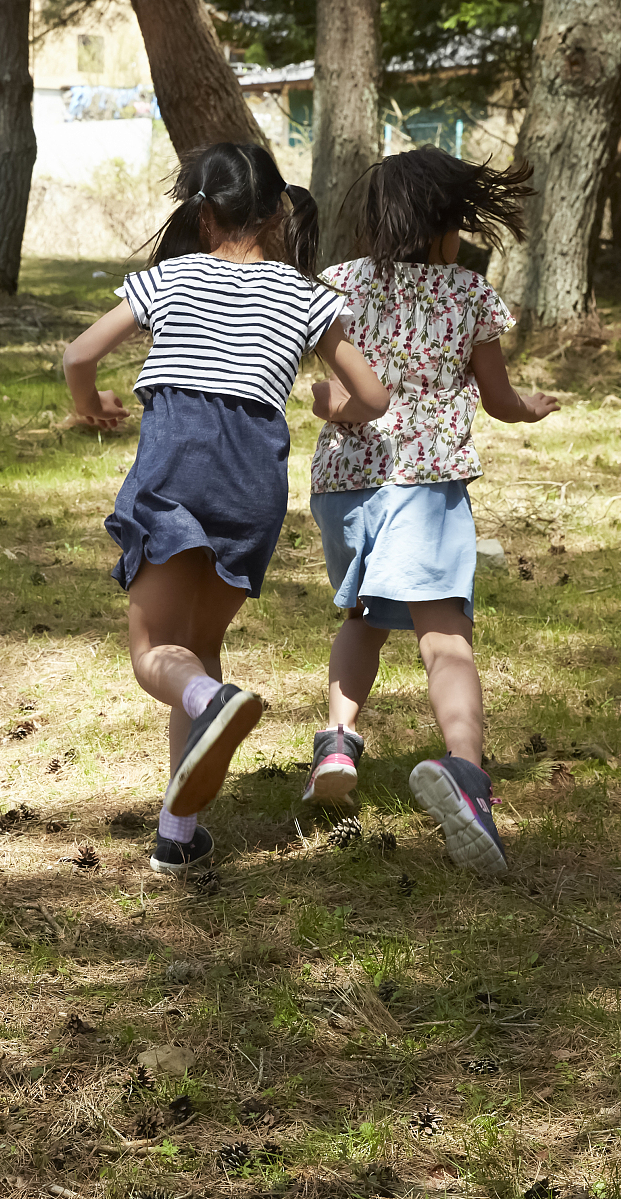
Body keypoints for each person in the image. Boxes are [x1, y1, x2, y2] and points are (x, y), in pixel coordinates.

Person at [62, 142, 389, 877]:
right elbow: (373, 396)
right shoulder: (308, 296)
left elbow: (79, 355)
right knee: (200, 642)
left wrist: (92, 405)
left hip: (178, 462)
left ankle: (211, 700)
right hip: (252, 480)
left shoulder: (171, 276)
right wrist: (335, 406)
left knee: (157, 653)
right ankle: (179, 832)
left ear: (203, 214)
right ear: (279, 211)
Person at [303, 148, 557, 875]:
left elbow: (333, 391)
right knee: (444, 636)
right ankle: (466, 775)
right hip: (425, 480)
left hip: (345, 482)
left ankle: (338, 742)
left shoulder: (340, 284)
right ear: (451, 223)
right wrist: (528, 407)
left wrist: (326, 402)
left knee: (361, 618)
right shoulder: (468, 295)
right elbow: (499, 398)